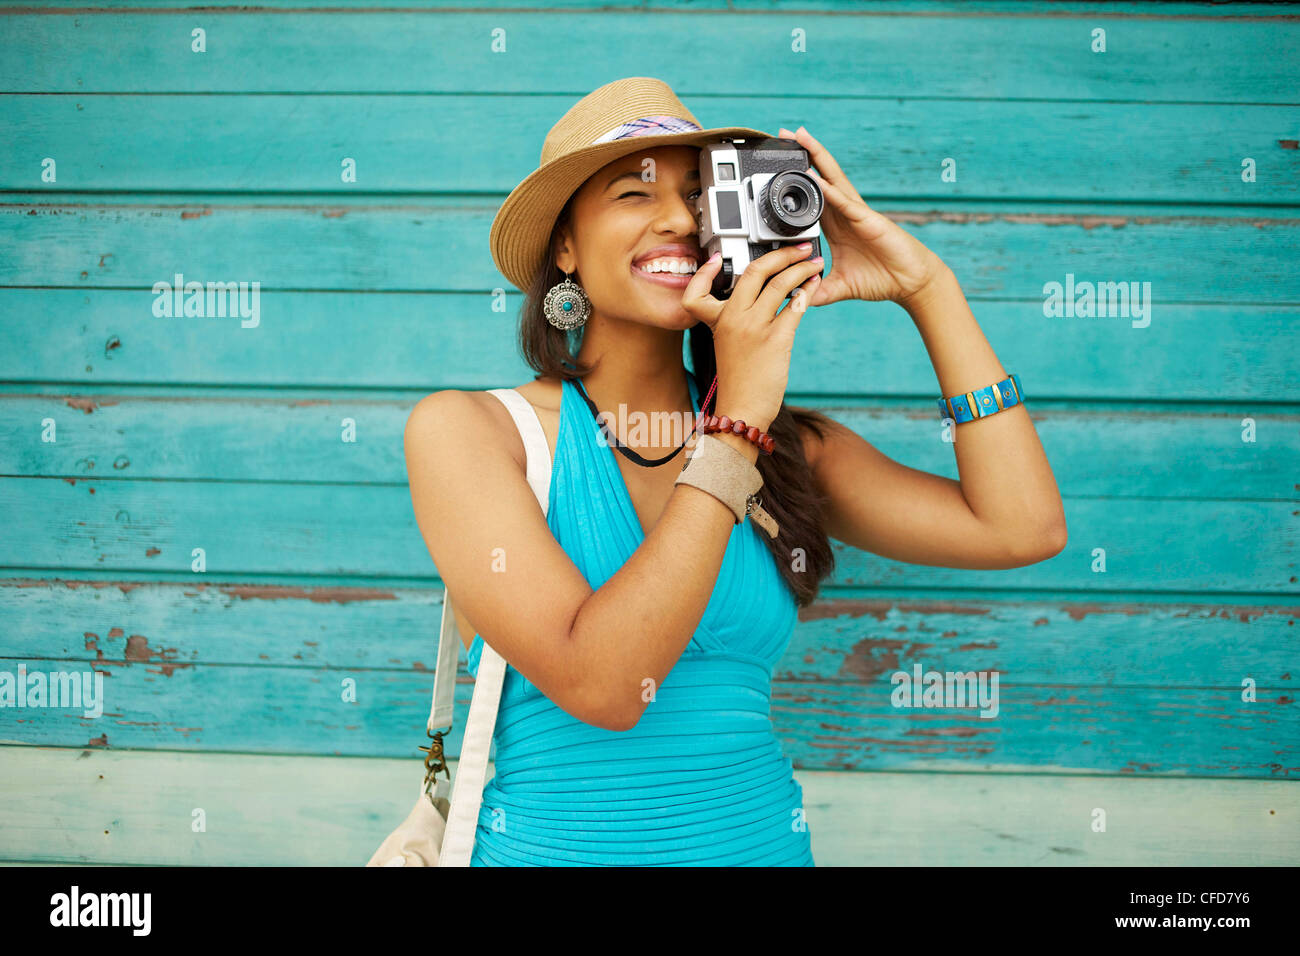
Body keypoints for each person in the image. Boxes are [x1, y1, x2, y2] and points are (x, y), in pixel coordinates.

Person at [403, 77, 1066, 865]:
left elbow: (1023, 527)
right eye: (632, 193)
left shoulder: (788, 449)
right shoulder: (471, 432)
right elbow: (605, 686)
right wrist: (736, 429)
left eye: (699, 196)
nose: (680, 218)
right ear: (565, 246)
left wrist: (929, 288)